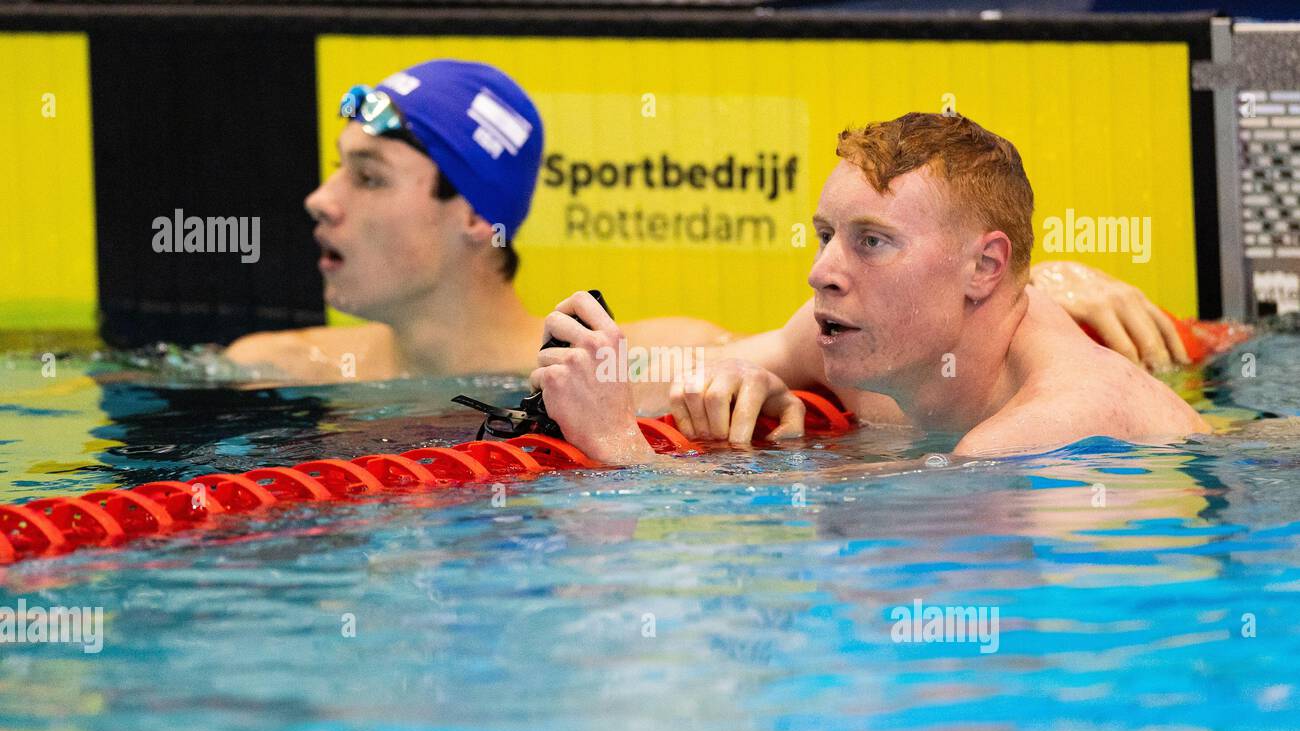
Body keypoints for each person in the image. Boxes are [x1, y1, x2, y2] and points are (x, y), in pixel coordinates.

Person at [226, 60, 1188, 384]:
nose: (319, 198)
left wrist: (1040, 292)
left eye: (367, 174)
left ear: (478, 215)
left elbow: (833, 343)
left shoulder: (651, 363)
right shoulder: (273, 365)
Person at [529, 113, 1210, 463]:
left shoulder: (1049, 427)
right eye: (826, 233)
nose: (823, 270)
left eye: (872, 241)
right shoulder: (857, 339)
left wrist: (621, 450)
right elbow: (673, 381)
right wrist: (738, 380)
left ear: (984, 268)